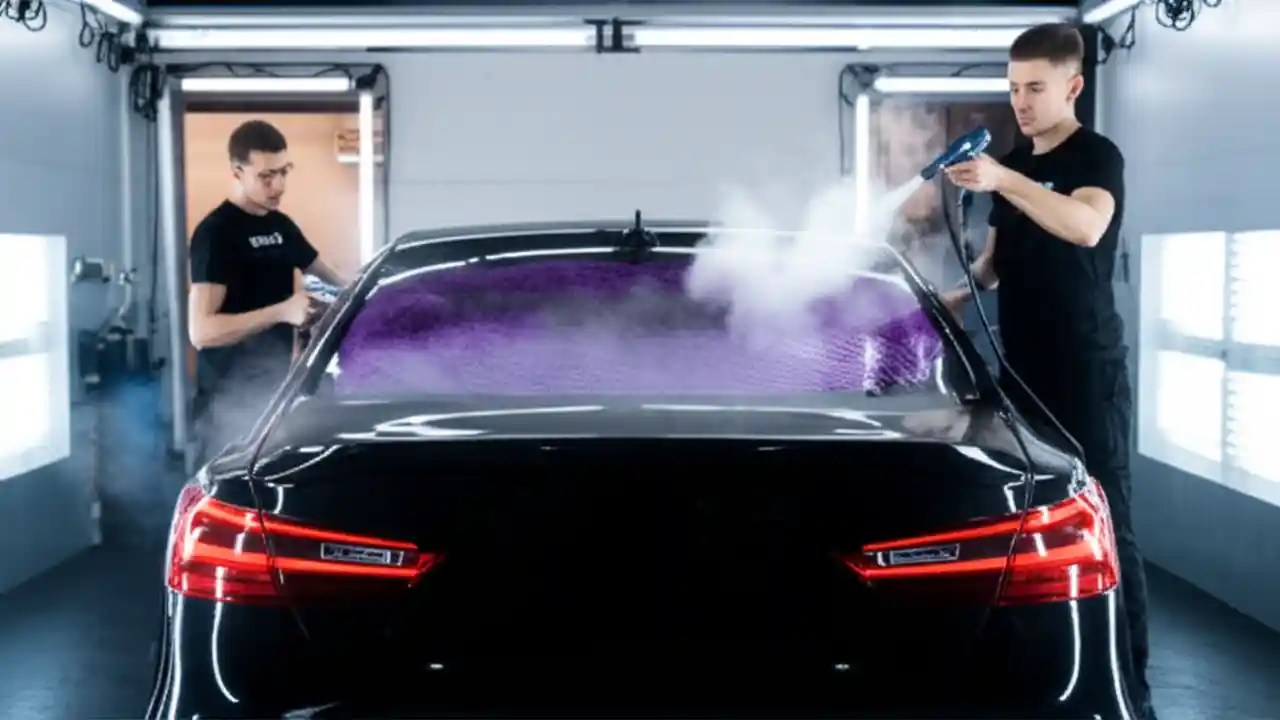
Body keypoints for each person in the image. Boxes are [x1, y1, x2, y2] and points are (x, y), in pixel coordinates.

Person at [940, 23, 1156, 720]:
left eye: (1035, 87)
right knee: (1030, 522)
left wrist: (1006, 178)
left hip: (1085, 371)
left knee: (1107, 523)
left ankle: (1131, 682)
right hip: (1021, 375)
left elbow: (1085, 227)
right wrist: (931, 301)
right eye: (1013, 89)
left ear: (1073, 85)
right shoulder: (1011, 166)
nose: (1022, 102)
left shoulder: (1098, 156)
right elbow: (991, 270)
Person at [188, 119, 351, 464]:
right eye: (266, 176)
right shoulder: (216, 234)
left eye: (284, 172)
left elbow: (336, 281)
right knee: (230, 505)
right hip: (226, 406)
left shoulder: (281, 226)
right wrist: (282, 311)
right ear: (237, 171)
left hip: (272, 398)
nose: (278, 186)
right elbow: (201, 332)